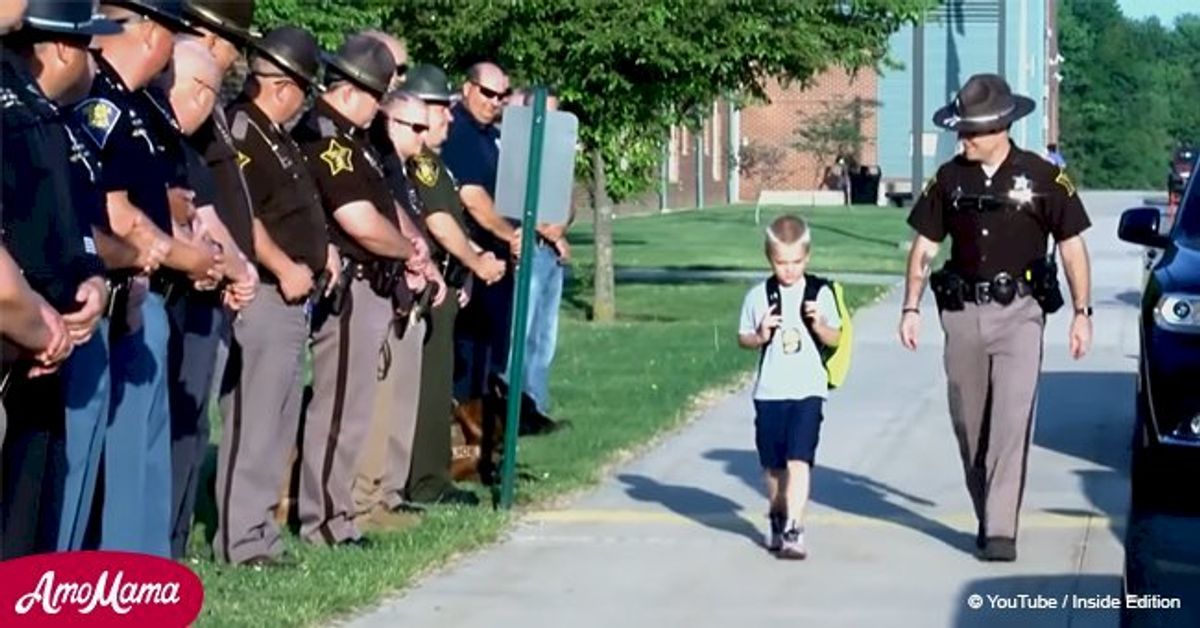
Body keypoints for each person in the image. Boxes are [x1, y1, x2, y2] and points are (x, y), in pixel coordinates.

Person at [897, 73, 1093, 562]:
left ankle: (1001, 530)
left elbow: (1072, 247)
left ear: (1001, 128)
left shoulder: (1044, 178)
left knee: (1011, 420)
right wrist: (910, 306)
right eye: (961, 130)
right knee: (970, 426)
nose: (963, 139)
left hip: (1020, 314)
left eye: (972, 132)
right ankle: (987, 509)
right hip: (962, 315)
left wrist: (1082, 312)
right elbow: (924, 247)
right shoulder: (948, 179)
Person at [84, 0, 209, 557]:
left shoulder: (138, 105)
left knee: (145, 452)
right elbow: (114, 212)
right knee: (125, 458)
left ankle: (143, 570)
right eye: (171, 35)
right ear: (153, 34)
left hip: (147, 290)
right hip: (121, 290)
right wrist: (183, 256)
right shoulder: (102, 100)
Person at [293, 34, 421, 547]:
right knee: (339, 409)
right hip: (352, 285)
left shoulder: (354, 138)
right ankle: (325, 520)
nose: (379, 110)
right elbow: (359, 221)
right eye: (376, 97)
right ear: (351, 90)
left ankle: (338, 512)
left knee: (355, 410)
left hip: (373, 284)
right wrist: (408, 251)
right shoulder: (329, 139)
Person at [216, 25, 331, 566]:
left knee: (279, 420)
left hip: (293, 294)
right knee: (254, 421)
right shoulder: (243, 129)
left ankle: (260, 531)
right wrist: (284, 266)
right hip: (265, 290)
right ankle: (240, 539)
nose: (305, 101)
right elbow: (243, 213)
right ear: (283, 85)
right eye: (304, 89)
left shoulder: (274, 134)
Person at [402, 63, 505, 505]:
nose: (448, 116)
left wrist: (469, 263)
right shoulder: (423, 165)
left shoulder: (435, 163)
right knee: (428, 390)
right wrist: (476, 262)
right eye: (440, 108)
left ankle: (431, 474)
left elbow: (453, 225)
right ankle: (426, 480)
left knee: (437, 385)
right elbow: (440, 223)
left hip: (446, 286)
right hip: (428, 287)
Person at [737, 215, 842, 560]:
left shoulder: (819, 293)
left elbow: (836, 337)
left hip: (808, 390)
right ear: (769, 258)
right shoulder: (758, 296)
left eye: (796, 262)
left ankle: (795, 529)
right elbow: (743, 338)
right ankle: (778, 514)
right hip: (771, 392)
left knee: (800, 460)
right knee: (774, 467)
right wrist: (760, 335)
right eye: (782, 263)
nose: (789, 270)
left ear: (807, 257)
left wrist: (820, 325)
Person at [443, 62, 520, 407]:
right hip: (471, 259)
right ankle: (463, 431)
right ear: (467, 88)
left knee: (490, 355)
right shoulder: (458, 131)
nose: (494, 101)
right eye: (487, 93)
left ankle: (484, 427)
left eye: (502, 95)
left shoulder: (490, 135)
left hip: (497, 261)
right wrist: (511, 235)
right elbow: (472, 198)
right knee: (468, 356)